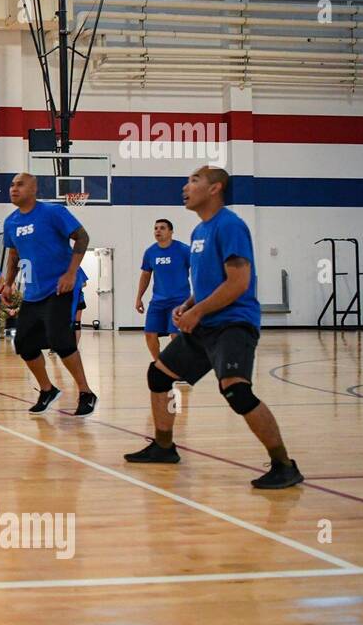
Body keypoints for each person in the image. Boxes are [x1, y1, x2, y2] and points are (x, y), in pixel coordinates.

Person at [124, 166, 302, 489]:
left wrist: (199, 311)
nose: (185, 185)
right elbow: (208, 282)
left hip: (234, 323)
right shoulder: (198, 233)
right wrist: (190, 304)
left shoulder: (230, 225)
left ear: (215, 188)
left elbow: (238, 282)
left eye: (194, 180)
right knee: (158, 375)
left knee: (236, 391)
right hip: (205, 321)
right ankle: (164, 447)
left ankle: (284, 464)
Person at [0, 174, 97, 415]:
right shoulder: (11, 222)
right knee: (23, 344)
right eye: (11, 184)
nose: (13, 188)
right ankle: (47, 389)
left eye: (20, 184)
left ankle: (86, 392)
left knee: (61, 340)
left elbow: (82, 237)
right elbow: (14, 255)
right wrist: (8, 283)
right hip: (33, 292)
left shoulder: (53, 212)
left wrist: (71, 274)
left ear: (34, 188)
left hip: (61, 287)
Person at [135, 218, 192, 361]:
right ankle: (159, 364)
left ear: (171, 231)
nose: (158, 231)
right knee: (149, 333)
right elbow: (146, 275)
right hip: (158, 301)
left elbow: (198, 270)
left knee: (176, 335)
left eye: (162, 228)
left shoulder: (184, 250)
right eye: (156, 228)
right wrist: (138, 297)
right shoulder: (150, 252)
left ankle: (179, 367)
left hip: (179, 301)